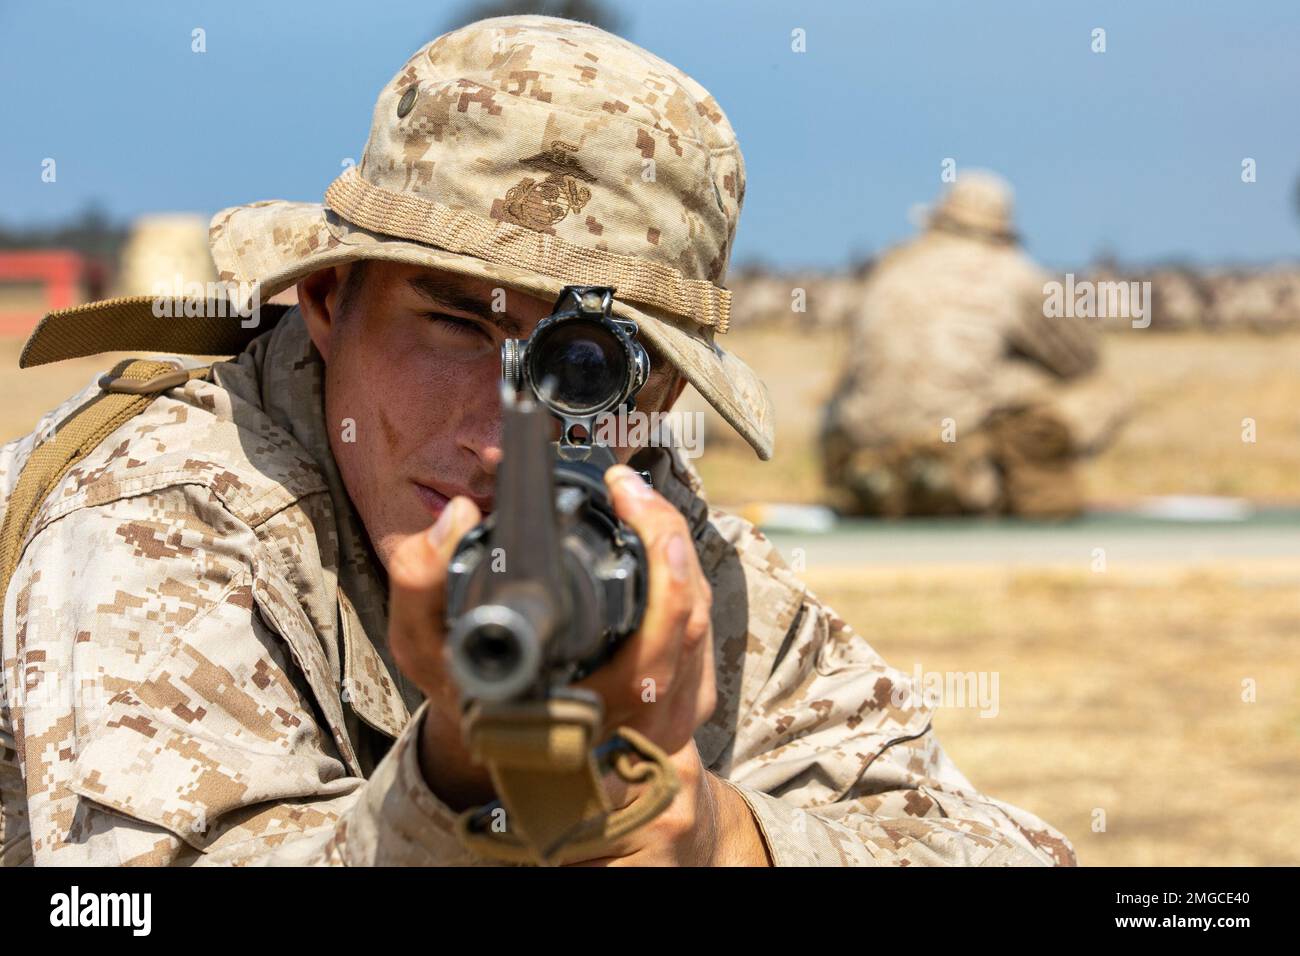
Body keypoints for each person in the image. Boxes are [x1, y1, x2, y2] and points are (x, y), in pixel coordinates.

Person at [0, 17, 1075, 866]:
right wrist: (459, 792)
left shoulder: (633, 529)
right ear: (327, 299)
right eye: (455, 323)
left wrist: (720, 837)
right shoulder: (168, 509)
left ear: (650, 392)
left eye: (582, 367)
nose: (495, 431)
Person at [821, 171, 1127, 519]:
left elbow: (846, 371)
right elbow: (1082, 360)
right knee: (1102, 393)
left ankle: (875, 477)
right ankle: (989, 480)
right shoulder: (1016, 275)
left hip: (863, 447)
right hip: (956, 444)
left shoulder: (889, 269)